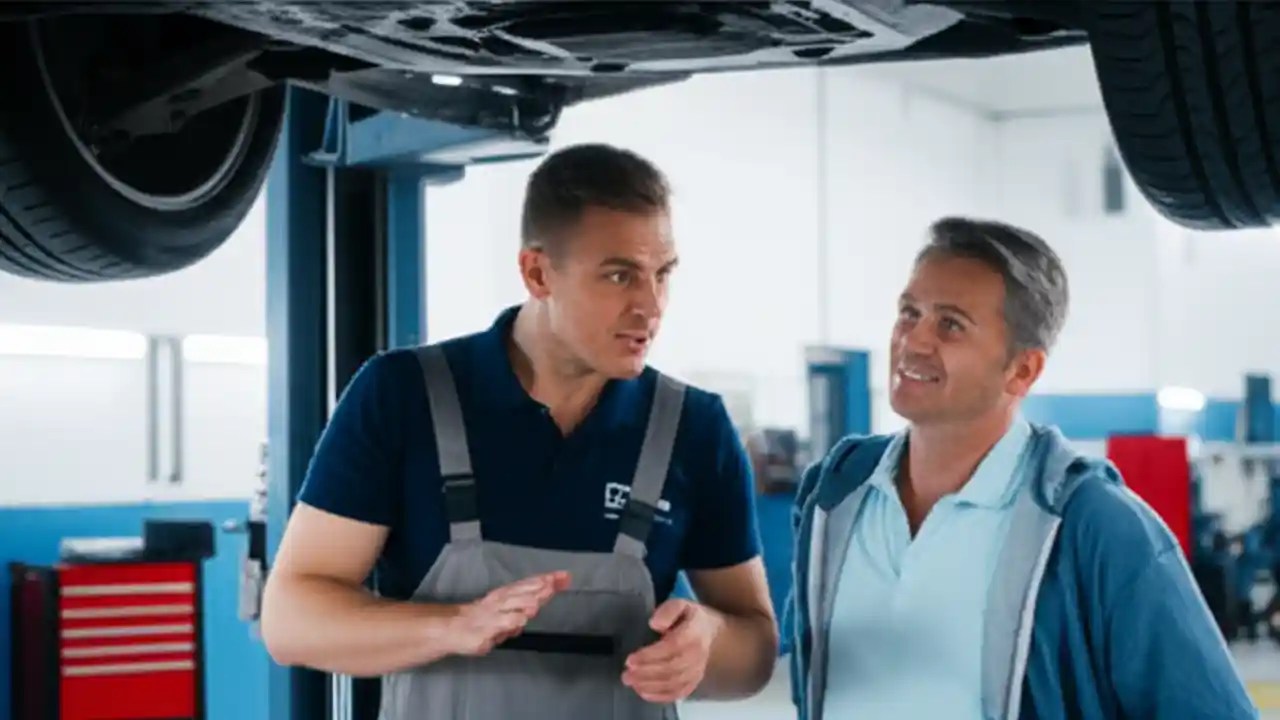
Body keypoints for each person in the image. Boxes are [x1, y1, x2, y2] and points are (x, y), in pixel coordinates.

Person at [260, 143, 778, 719]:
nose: (650, 306)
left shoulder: (694, 429)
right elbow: (291, 621)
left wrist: (707, 644)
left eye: (663, 274)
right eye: (619, 275)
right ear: (537, 273)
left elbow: (756, 652)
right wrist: (452, 626)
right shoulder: (403, 397)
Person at [786, 217, 1256, 720]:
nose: (913, 342)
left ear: (1022, 370)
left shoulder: (1097, 528)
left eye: (950, 324)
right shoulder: (836, 496)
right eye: (909, 313)